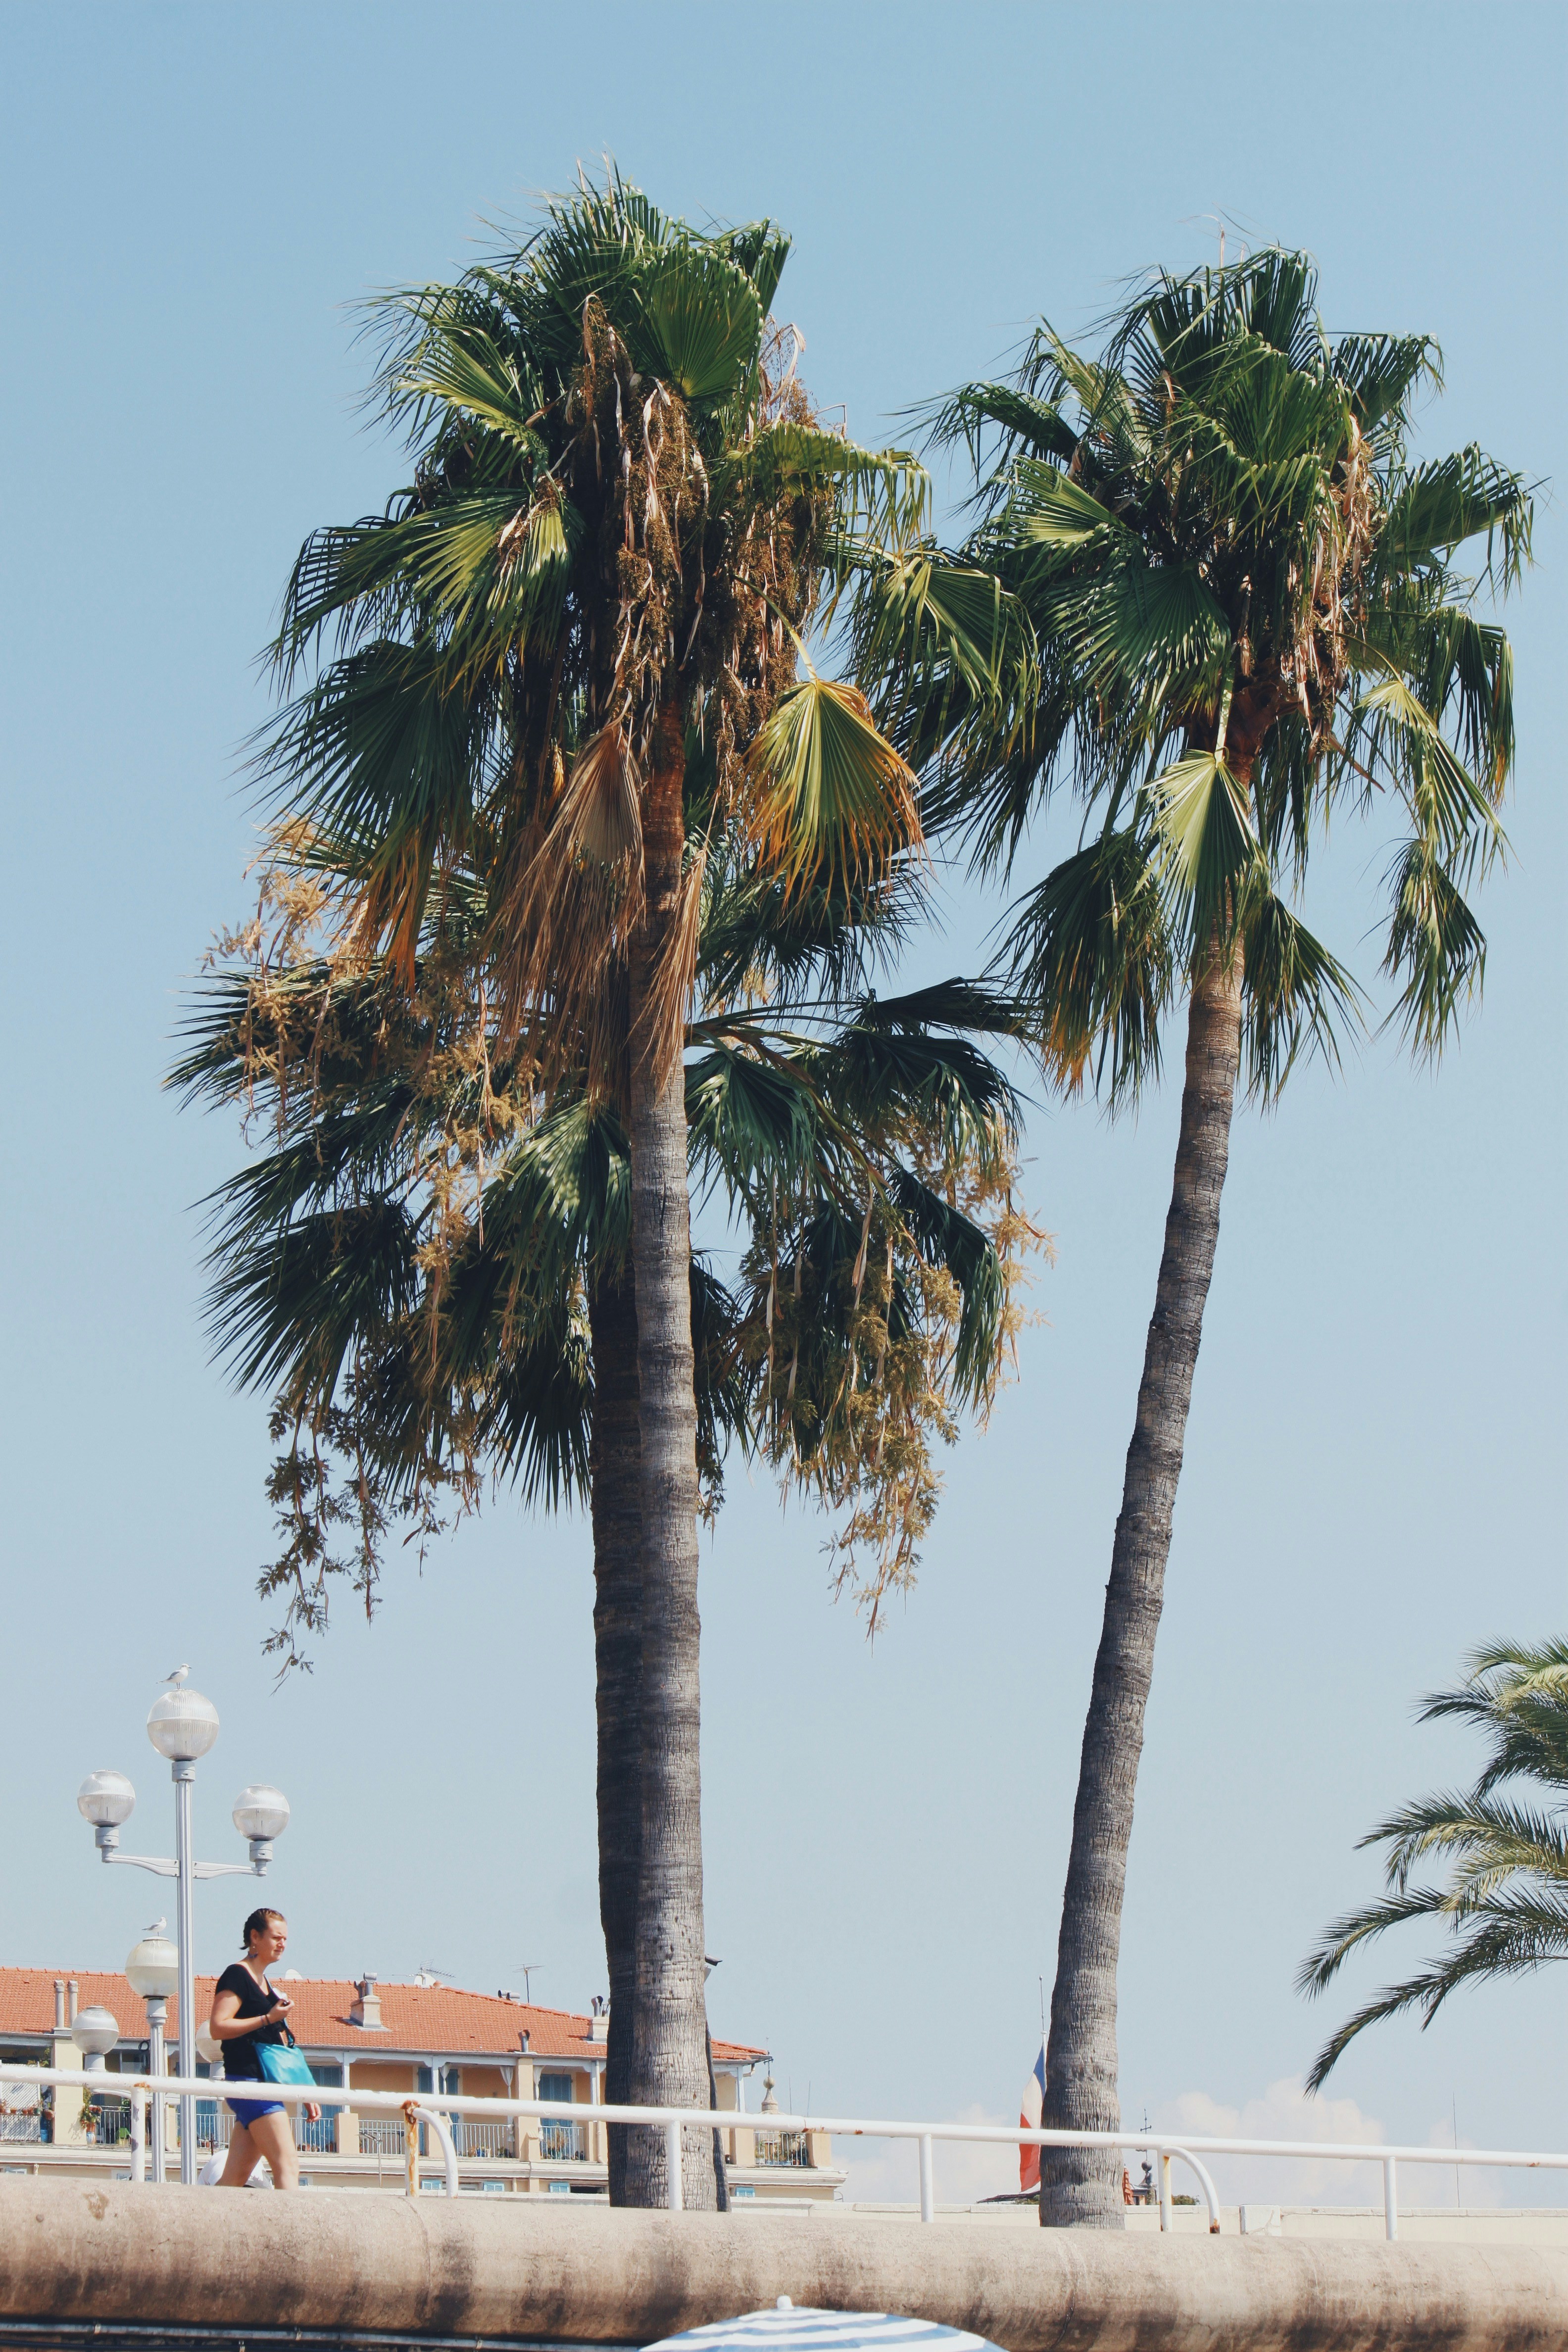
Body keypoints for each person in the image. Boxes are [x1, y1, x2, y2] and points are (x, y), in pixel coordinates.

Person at [208, 1907, 319, 2190]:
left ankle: (193, 2227)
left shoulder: (266, 1983)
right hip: (249, 2083)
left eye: (285, 1939)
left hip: (262, 2083)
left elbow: (278, 2044)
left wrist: (305, 2090)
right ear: (254, 1937)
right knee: (288, 2164)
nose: (282, 1944)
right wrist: (268, 2018)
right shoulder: (237, 1975)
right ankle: (293, 2233)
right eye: (276, 1937)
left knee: (234, 2179)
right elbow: (218, 2026)